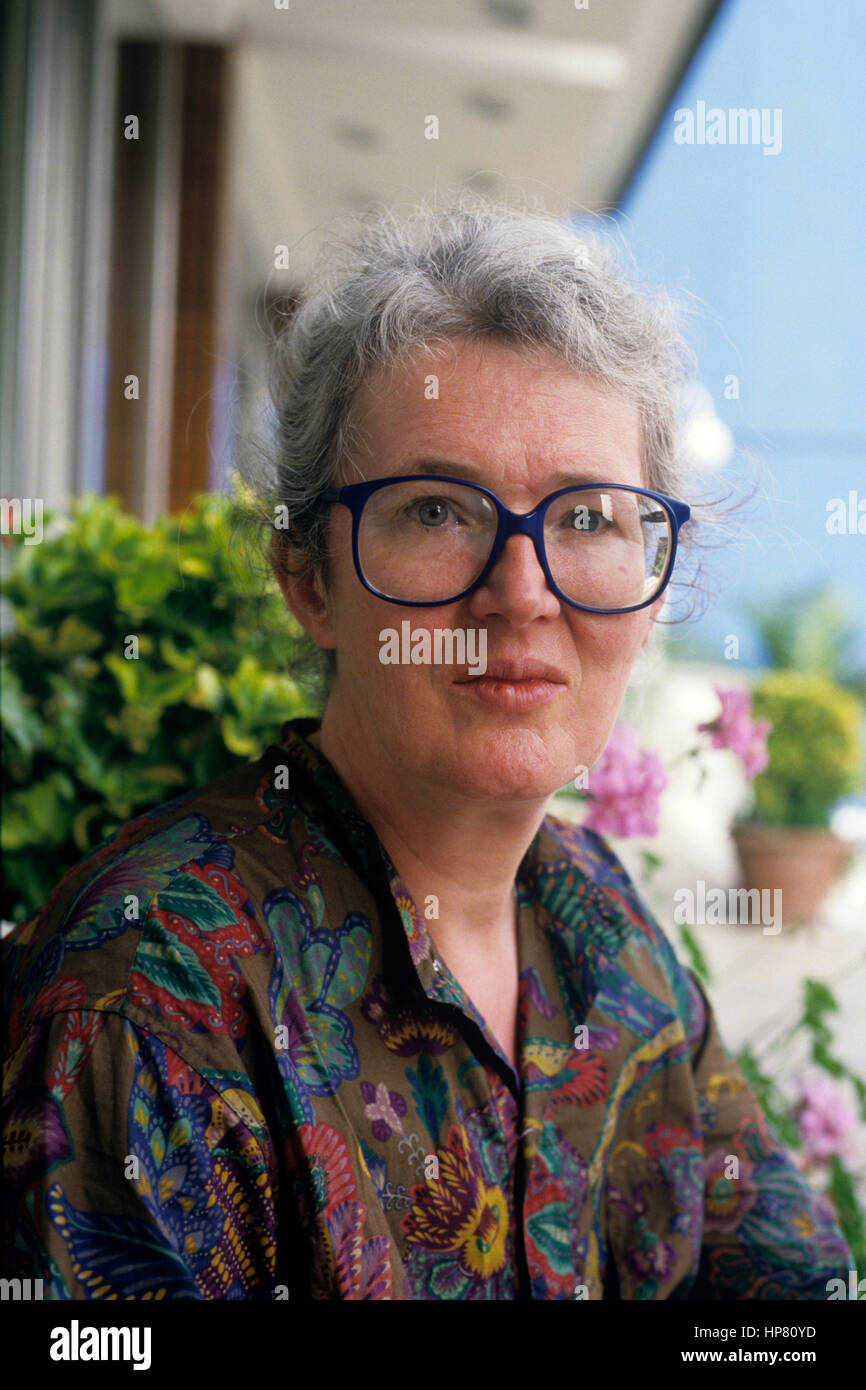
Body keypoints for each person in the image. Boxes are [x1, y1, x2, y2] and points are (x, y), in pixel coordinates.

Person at [2, 201, 852, 1300]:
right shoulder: (144, 1001)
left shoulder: (600, 926)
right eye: (438, 508)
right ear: (307, 579)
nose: (522, 592)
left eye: (587, 517)